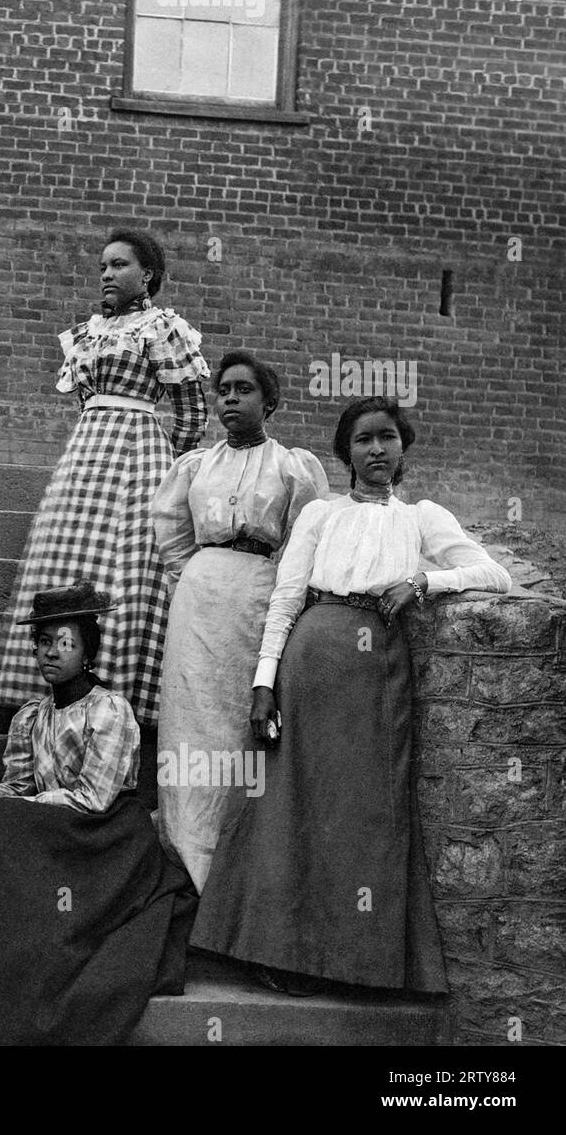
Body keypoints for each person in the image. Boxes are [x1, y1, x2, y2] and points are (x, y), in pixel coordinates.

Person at [192, 396, 512, 994]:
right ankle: (278, 955)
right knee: (290, 808)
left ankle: (354, 964)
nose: (376, 450)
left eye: (386, 437)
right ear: (346, 453)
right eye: (363, 440)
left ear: (402, 445)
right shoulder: (321, 514)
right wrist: (264, 684)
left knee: (363, 812)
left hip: (378, 676)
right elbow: (287, 598)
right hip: (311, 662)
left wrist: (424, 580)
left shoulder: (422, 518)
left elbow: (494, 573)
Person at [0, 582, 197, 1044]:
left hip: (106, 837)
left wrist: (8, 807)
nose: (51, 652)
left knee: (4, 823)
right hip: (50, 828)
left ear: (87, 651)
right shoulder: (31, 716)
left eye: (65, 642)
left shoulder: (109, 710)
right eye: (43, 642)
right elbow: (20, 784)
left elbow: (93, 798)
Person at [0, 228, 209, 808]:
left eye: (120, 265)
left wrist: (168, 465)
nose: (107, 274)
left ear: (149, 276)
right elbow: (83, 402)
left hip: (138, 452)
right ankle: (66, 695)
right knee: (69, 562)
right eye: (103, 266)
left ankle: (118, 705)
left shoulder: (161, 327)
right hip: (86, 455)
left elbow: (191, 409)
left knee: (130, 574)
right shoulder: (86, 334)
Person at [151, 351, 329, 893]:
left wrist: (272, 583)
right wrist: (199, 572)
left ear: (269, 402)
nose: (229, 398)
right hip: (199, 599)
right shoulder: (196, 465)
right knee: (190, 724)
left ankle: (234, 877)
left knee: (237, 728)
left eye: (243, 390)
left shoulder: (292, 466)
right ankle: (187, 863)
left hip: (258, 594)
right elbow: (171, 527)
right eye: (223, 390)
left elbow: (307, 534)